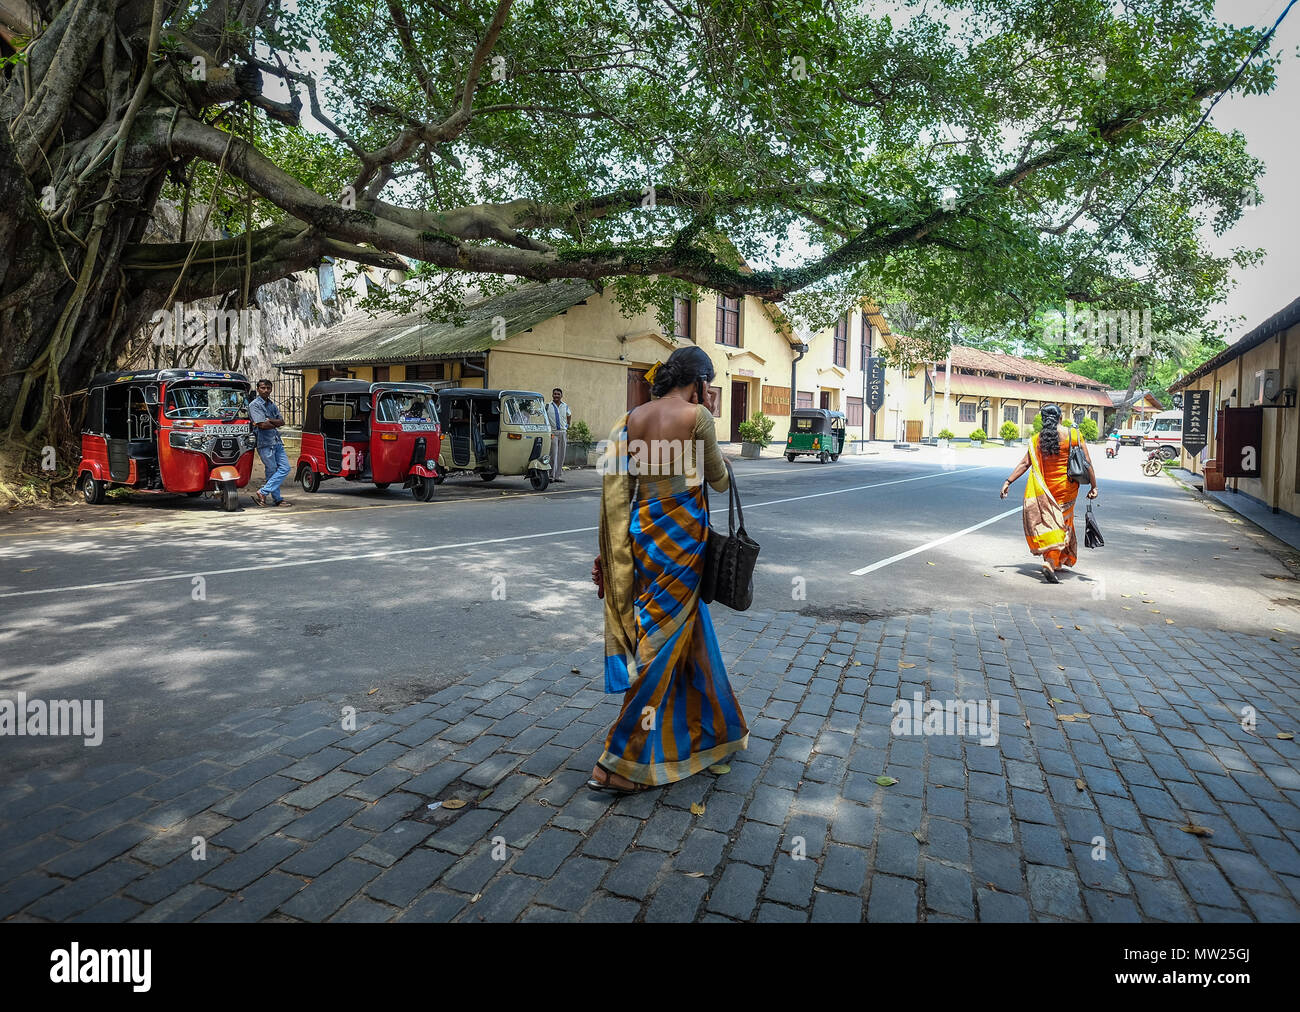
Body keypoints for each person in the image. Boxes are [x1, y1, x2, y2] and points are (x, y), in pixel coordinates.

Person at [588, 346, 748, 793]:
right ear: (697, 383)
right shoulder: (698, 418)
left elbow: (619, 487)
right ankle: (619, 761)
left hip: (641, 536)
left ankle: (711, 733)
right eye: (708, 385)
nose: (709, 394)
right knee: (660, 643)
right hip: (682, 540)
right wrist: (715, 456)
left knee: (677, 630)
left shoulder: (631, 418)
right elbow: (715, 479)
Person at [1001, 404, 1097, 582]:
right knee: (1063, 524)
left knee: (1049, 523)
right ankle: (1051, 562)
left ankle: (1054, 559)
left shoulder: (1038, 439)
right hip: (1067, 489)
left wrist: (1008, 482)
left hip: (1045, 490)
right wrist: (1094, 486)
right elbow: (1087, 462)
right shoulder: (1074, 435)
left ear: (1044, 420)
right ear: (1060, 418)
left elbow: (1024, 464)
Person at [249, 378, 292, 507]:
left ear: (271, 389)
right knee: (272, 470)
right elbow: (262, 425)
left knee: (285, 468)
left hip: (276, 441)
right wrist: (272, 422)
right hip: (265, 443)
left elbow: (282, 422)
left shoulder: (272, 405)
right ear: (257, 389)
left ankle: (263, 492)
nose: (266, 390)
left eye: (268, 388)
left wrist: (270, 421)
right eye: (263, 388)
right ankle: (277, 498)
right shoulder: (254, 405)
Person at [546, 387, 571, 482]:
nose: (556, 395)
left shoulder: (565, 406)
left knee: (561, 455)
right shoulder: (548, 406)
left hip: (563, 432)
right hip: (553, 433)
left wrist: (568, 425)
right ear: (552, 395)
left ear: (561, 396)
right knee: (553, 454)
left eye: (558, 394)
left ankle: (558, 476)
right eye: (555, 394)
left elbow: (569, 415)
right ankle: (551, 476)